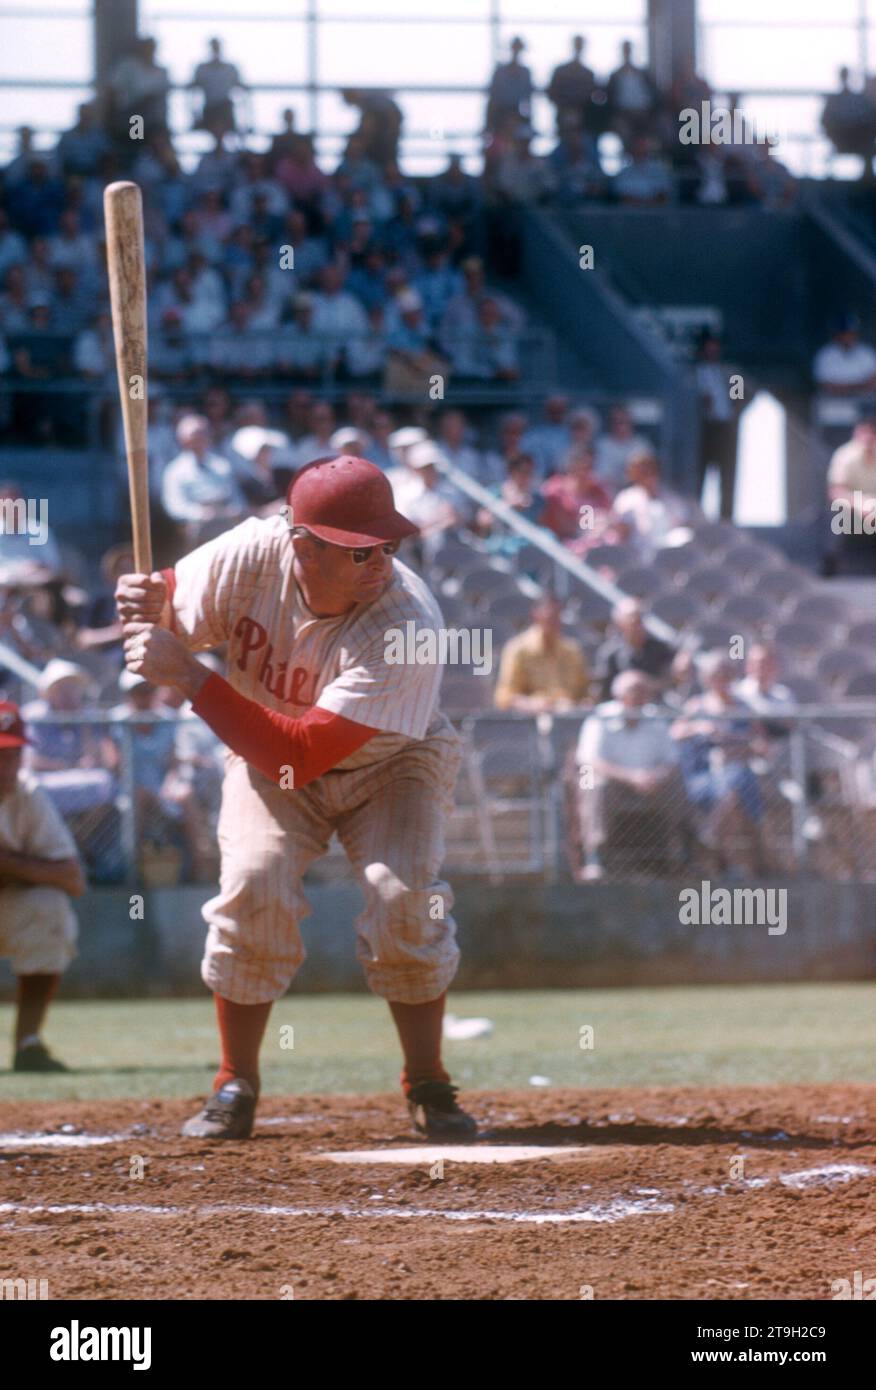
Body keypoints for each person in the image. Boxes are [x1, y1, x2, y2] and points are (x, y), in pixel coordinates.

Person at [116, 455, 478, 1143]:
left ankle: (427, 1078)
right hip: (265, 755)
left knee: (403, 897)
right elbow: (167, 601)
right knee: (255, 882)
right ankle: (234, 1082)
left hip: (391, 765)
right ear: (300, 543)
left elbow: (301, 754)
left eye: (389, 544)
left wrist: (190, 677)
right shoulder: (253, 552)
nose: (380, 561)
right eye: (359, 548)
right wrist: (141, 602)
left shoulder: (408, 622)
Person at [0, 700, 85, 1071]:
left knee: (50, 909)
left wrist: (8, 864)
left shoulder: (27, 794)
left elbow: (72, 878)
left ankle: (28, 1044)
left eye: (13, 753)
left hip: (8, 900)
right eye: (0, 754)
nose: (7, 765)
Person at [575, 670, 685, 881]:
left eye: (644, 691)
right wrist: (632, 777)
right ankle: (594, 856)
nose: (640, 696)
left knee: (677, 781)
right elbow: (590, 760)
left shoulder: (656, 717)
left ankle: (682, 850)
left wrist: (656, 776)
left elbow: (672, 760)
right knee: (591, 782)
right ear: (619, 695)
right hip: (614, 782)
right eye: (634, 691)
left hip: (651, 783)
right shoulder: (600, 716)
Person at [671, 652, 770, 876]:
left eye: (726, 674)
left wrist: (745, 745)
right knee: (733, 793)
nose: (722, 679)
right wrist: (699, 728)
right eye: (716, 675)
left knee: (735, 783)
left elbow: (763, 744)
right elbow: (675, 733)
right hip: (704, 776)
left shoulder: (743, 707)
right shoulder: (697, 706)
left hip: (738, 771)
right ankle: (733, 862)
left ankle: (712, 838)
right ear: (707, 678)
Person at [161, 414, 249, 546]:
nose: (200, 438)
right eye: (196, 434)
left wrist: (233, 510)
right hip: (195, 525)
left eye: (204, 433)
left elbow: (237, 498)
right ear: (182, 439)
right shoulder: (174, 471)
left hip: (224, 517)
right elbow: (174, 507)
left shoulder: (222, 465)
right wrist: (201, 513)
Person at [494, 594, 589, 714]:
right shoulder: (518, 649)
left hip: (570, 717)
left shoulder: (572, 651)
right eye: (550, 616)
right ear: (536, 615)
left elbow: (585, 693)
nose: (554, 621)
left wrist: (583, 704)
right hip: (533, 720)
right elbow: (504, 697)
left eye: (557, 615)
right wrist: (530, 704)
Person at [612, 449, 696, 557]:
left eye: (651, 469)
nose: (648, 474)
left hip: (666, 552)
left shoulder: (667, 496)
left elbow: (684, 520)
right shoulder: (626, 498)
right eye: (643, 471)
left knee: (685, 535)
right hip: (639, 553)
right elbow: (622, 534)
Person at [695, 330, 741, 520]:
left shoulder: (730, 372)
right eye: (709, 345)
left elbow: (739, 397)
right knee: (700, 472)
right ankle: (697, 514)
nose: (713, 349)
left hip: (725, 427)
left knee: (727, 473)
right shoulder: (696, 372)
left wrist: (734, 407)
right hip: (704, 428)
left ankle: (726, 516)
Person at [594, 598, 674, 702]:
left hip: (655, 709)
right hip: (621, 710)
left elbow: (670, 681)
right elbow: (605, 691)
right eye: (634, 621)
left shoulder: (660, 649)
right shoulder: (609, 654)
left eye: (640, 620)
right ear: (620, 624)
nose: (639, 626)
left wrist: (648, 685)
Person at [189, 37, 247, 138]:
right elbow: (193, 90)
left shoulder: (230, 68)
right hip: (210, 108)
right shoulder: (202, 69)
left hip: (225, 107)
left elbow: (241, 88)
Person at [813, 314, 876, 396]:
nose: (847, 336)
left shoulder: (867, 352)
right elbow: (825, 385)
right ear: (836, 334)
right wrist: (861, 385)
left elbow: (874, 382)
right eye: (844, 332)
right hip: (833, 401)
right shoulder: (825, 355)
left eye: (850, 332)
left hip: (865, 400)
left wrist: (844, 387)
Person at [547, 35, 596, 134]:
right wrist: (566, 109)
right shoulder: (560, 71)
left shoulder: (588, 74)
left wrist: (579, 111)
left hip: (584, 117)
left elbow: (591, 96)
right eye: (577, 45)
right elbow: (552, 93)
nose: (578, 47)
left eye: (580, 45)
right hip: (562, 114)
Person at [485, 37, 533, 134]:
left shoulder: (525, 73)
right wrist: (489, 122)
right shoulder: (500, 72)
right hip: (500, 115)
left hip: (516, 113)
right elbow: (493, 98)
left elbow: (527, 99)